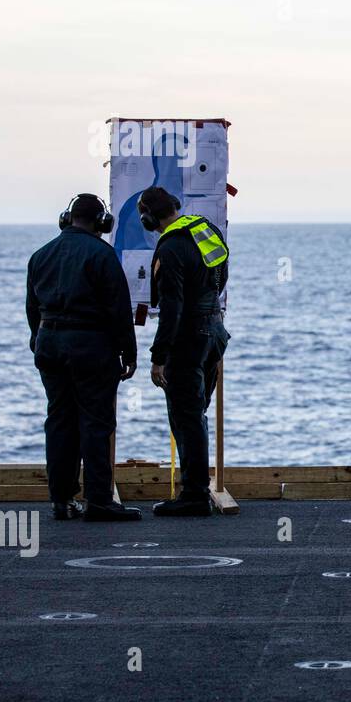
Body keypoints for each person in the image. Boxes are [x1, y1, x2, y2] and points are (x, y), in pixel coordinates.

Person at [26, 193, 141, 521]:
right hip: (91, 346)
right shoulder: (102, 255)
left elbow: (32, 308)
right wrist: (128, 353)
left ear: (67, 218)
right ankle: (99, 501)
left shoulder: (40, 255)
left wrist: (40, 340)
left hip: (49, 343)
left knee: (59, 421)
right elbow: (118, 311)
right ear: (101, 223)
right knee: (96, 422)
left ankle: (60, 501)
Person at [138, 186, 231, 517]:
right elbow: (221, 278)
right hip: (214, 331)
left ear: (149, 217)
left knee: (186, 416)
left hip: (189, 337)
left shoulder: (171, 247)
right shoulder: (206, 228)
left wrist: (158, 356)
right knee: (197, 413)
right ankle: (196, 489)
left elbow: (172, 308)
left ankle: (193, 495)